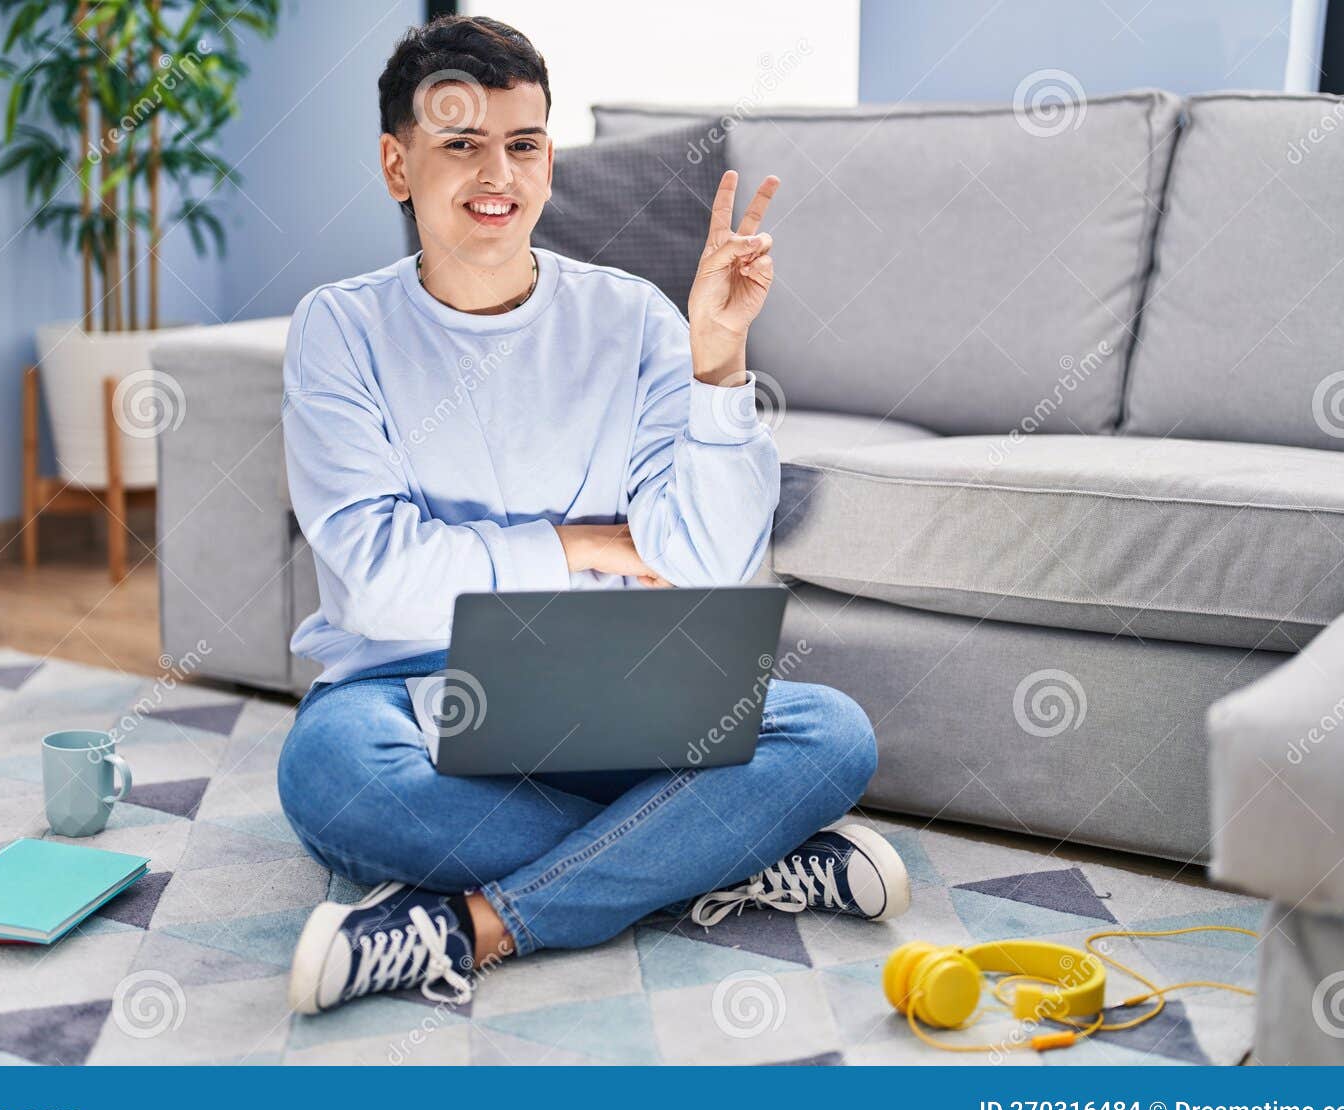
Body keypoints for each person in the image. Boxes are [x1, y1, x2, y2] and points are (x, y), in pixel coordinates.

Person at [277, 14, 908, 1016]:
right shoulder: (339, 329)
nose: (499, 172)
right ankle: (729, 849)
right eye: (461, 144)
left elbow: (702, 562)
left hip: (604, 683)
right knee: (330, 777)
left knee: (831, 731)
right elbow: (373, 579)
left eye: (521, 144)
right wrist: (575, 545)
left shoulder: (634, 318)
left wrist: (716, 363)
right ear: (398, 165)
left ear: (548, 160)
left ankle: (476, 923)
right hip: (402, 690)